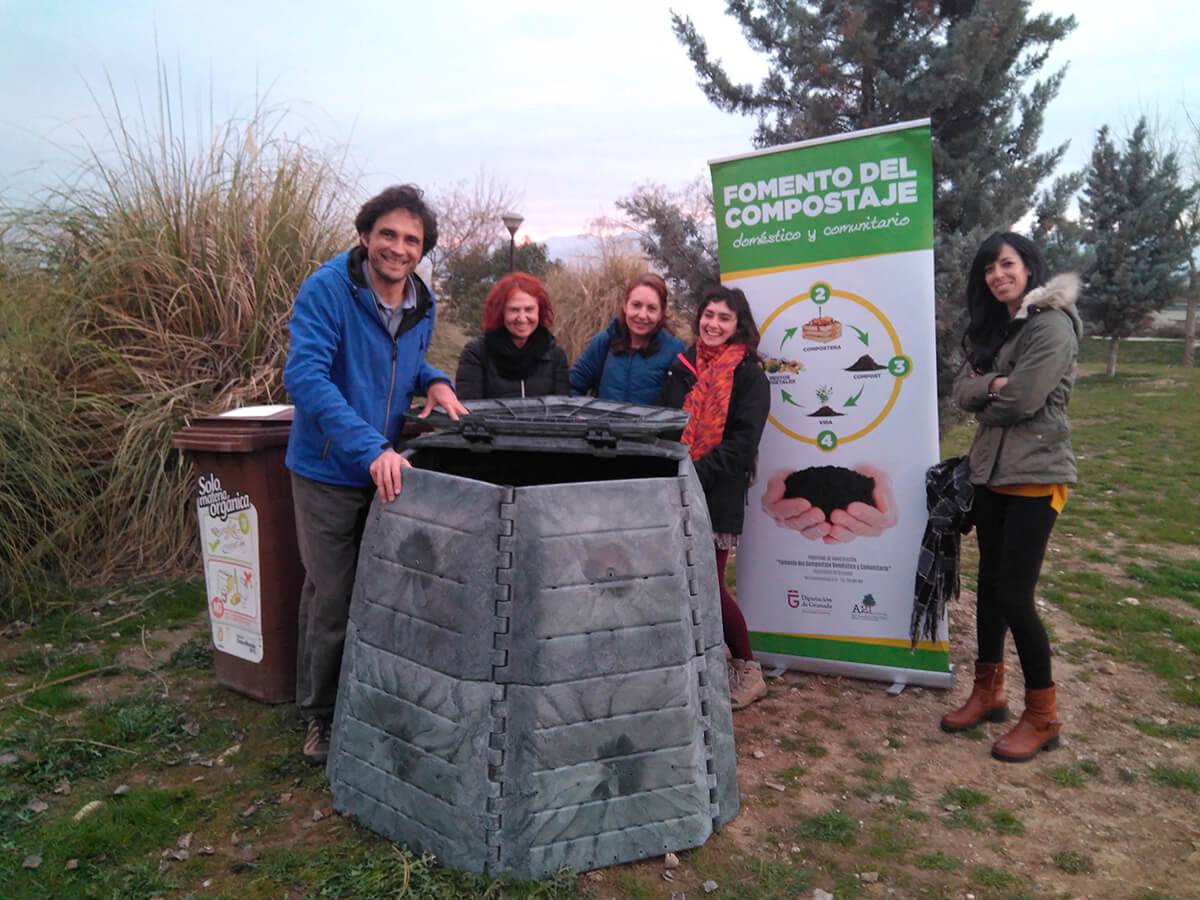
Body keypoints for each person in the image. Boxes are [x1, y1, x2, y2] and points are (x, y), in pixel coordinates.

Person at [283, 184, 468, 765]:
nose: (398, 247)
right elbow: (306, 377)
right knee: (332, 596)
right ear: (365, 236)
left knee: (385, 592)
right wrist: (369, 446)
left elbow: (402, 363)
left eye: (411, 239)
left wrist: (435, 379)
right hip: (328, 470)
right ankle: (321, 716)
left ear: (423, 250)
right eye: (387, 234)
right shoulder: (329, 289)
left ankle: (368, 697)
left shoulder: (420, 302)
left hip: (382, 469)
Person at [944, 232, 1081, 763]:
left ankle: (1044, 717)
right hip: (993, 474)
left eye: (1006, 264)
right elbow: (962, 389)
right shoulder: (1003, 328)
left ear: (1028, 267)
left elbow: (1024, 398)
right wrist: (997, 387)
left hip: (1036, 475)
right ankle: (988, 693)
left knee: (1016, 596)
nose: (997, 275)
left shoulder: (1051, 324)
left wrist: (993, 390)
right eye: (988, 269)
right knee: (989, 590)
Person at [659, 286, 771, 709]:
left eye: (725, 318)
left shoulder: (749, 375)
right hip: (669, 487)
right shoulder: (682, 366)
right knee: (676, 581)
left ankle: (747, 667)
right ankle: (695, 665)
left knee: (707, 584)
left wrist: (692, 471)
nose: (714, 324)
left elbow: (743, 444)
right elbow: (666, 423)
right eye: (709, 315)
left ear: (737, 325)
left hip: (715, 494)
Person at [569, 273, 685, 404]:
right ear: (625, 306)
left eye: (651, 308)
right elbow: (571, 388)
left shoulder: (675, 351)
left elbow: (679, 407)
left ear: (661, 313)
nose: (642, 315)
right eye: (636, 305)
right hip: (603, 424)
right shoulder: (604, 342)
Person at [455, 272, 569, 399]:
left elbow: (561, 409)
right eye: (514, 310)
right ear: (500, 312)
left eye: (529, 309)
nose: (522, 318)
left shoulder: (556, 355)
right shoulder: (476, 353)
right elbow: (469, 409)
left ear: (539, 311)